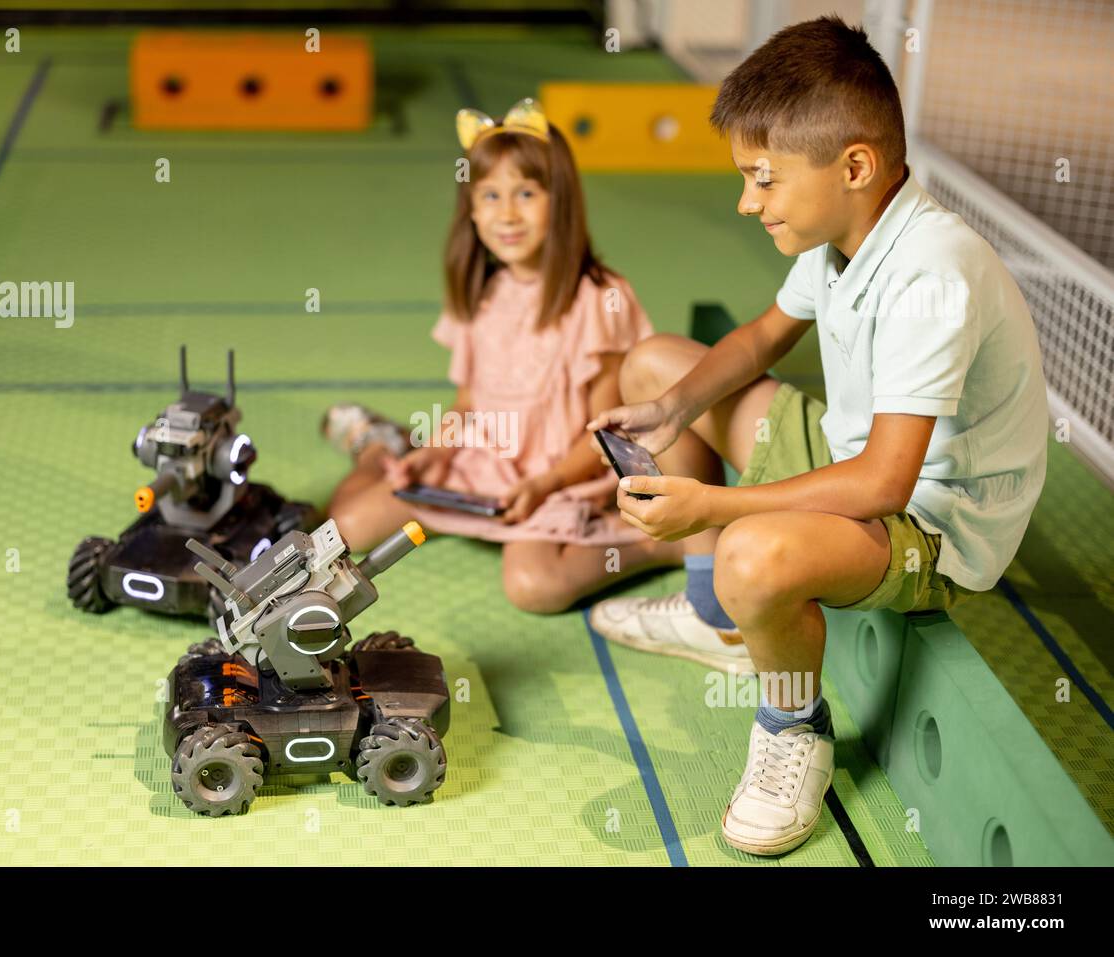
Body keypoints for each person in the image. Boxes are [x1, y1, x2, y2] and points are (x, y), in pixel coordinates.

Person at [586, 16, 1048, 856]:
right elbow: (763, 337)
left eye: (763, 180)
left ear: (855, 165)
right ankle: (715, 621)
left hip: (931, 525)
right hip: (854, 455)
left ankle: (793, 724)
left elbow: (882, 488)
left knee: (750, 555)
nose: (746, 201)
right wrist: (672, 412)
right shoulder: (847, 231)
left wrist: (710, 505)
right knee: (654, 365)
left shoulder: (931, 273)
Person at [322, 98, 704, 617]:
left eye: (526, 193)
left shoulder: (599, 297)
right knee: (343, 529)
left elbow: (607, 434)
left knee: (533, 585)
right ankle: (379, 446)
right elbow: (466, 404)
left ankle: (669, 545)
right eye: (491, 196)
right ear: (472, 210)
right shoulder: (482, 292)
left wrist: (544, 483)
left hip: (562, 478)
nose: (507, 213)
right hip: (481, 467)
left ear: (561, 200)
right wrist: (434, 453)